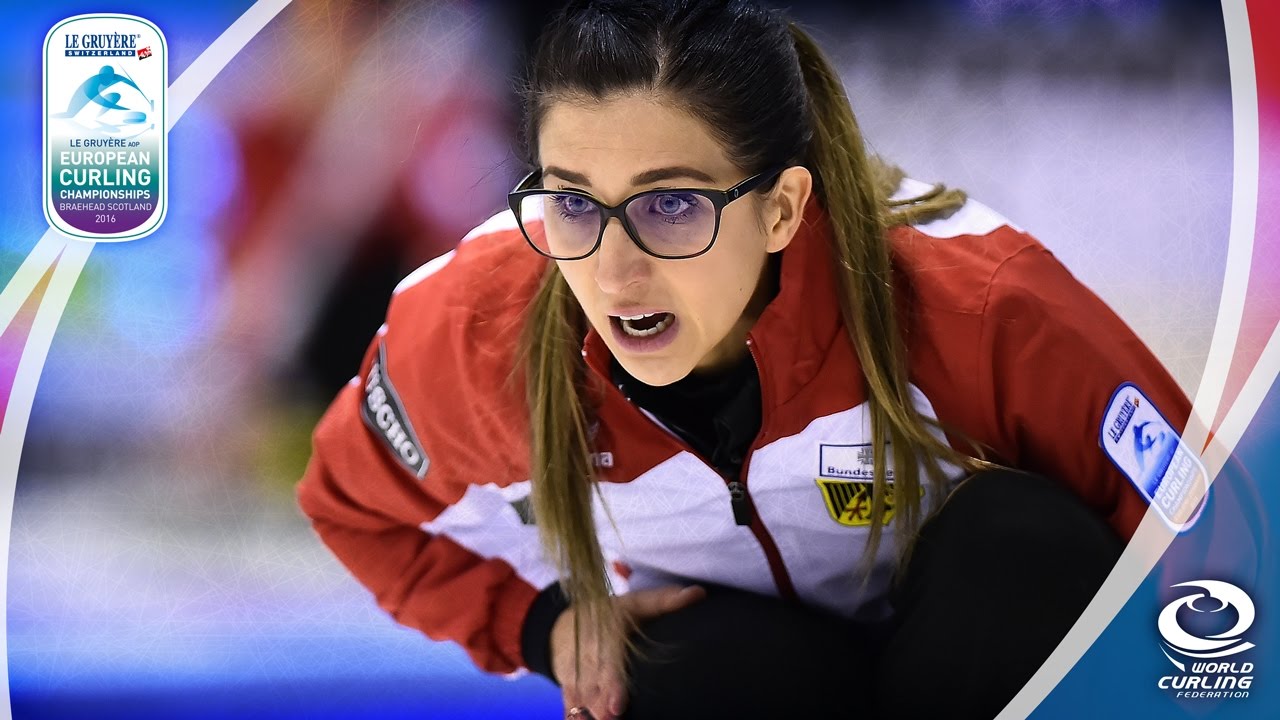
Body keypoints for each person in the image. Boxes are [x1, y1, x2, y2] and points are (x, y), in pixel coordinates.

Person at [296, 1, 1201, 717]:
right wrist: (540, 628)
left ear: (781, 210)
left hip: (982, 649)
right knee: (684, 672)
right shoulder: (472, 329)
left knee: (1020, 549)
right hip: (735, 670)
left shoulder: (982, 305)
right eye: (572, 204)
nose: (614, 271)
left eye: (672, 207)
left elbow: (1222, 553)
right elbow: (350, 507)